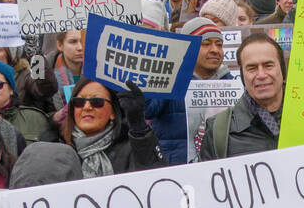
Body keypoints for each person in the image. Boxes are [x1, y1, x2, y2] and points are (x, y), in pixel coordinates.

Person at [146, 18, 233, 165]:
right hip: (177, 172)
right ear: (188, 48)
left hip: (221, 170)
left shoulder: (231, 84)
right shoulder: (170, 80)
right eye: (206, 44)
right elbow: (147, 110)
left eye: (219, 45)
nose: (214, 50)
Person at [196, 33, 284, 160]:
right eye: (252, 68)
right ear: (242, 76)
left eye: (268, 66)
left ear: (282, 70)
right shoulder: (219, 130)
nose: (261, 75)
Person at [56, 76, 164, 176]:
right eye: (79, 102)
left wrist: (139, 127)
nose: (87, 107)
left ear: (112, 112)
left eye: (97, 102)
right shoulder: (57, 149)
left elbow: (156, 177)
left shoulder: (131, 148)